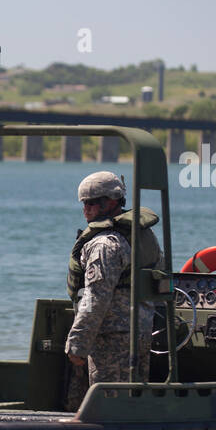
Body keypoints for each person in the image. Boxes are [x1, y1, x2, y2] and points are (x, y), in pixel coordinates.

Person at [64, 170, 163, 411]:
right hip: (139, 331)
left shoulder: (104, 244)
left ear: (109, 202)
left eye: (91, 203)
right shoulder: (141, 235)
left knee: (108, 406)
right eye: (84, 204)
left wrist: (77, 343)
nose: (85, 209)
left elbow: (96, 297)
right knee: (131, 402)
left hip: (111, 337)